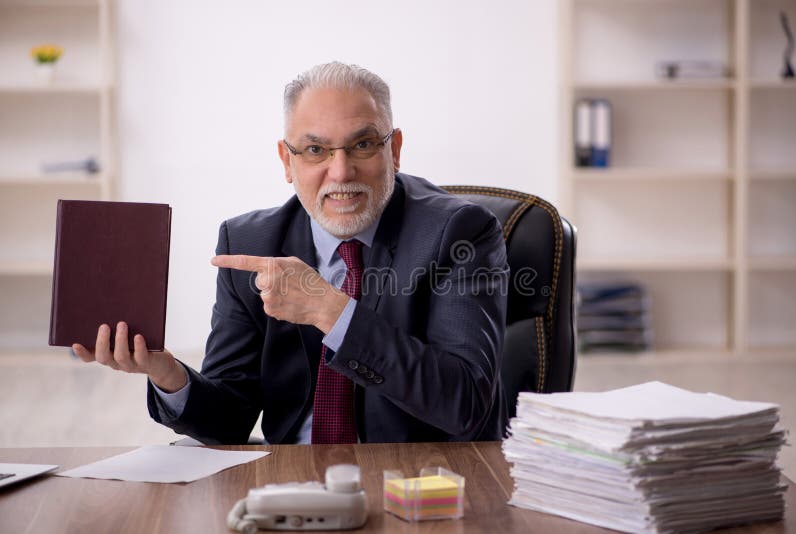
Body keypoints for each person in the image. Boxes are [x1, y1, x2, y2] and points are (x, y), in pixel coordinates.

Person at [72, 62, 509, 444]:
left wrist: (331, 311)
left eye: (362, 145)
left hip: (420, 484)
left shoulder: (459, 233)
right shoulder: (249, 243)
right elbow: (230, 420)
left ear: (393, 150)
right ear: (287, 160)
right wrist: (168, 374)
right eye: (316, 150)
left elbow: (465, 403)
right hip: (291, 484)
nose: (341, 171)